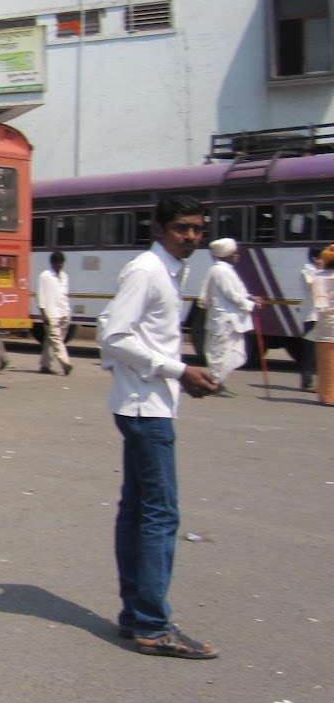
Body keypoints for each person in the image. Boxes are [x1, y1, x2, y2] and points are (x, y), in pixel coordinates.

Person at [97, 193, 220, 659]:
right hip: (145, 409)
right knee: (160, 514)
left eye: (197, 228)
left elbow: (116, 330)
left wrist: (172, 374)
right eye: (182, 228)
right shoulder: (147, 271)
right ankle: (152, 623)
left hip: (145, 403)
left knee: (138, 510)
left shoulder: (168, 271)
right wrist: (178, 371)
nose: (191, 236)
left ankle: (137, 615)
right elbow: (114, 334)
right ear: (158, 229)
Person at [197, 237, 261, 395]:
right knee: (219, 352)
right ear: (226, 254)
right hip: (223, 320)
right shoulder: (221, 271)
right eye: (234, 252)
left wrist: (250, 298)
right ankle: (213, 383)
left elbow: (238, 291)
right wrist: (250, 305)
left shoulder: (224, 270)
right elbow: (232, 294)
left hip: (227, 320)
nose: (237, 255)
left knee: (227, 351)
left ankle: (217, 381)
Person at [37, 250, 73, 375]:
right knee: (57, 340)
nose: (59, 265)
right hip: (51, 314)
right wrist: (43, 313)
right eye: (57, 263)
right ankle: (65, 363)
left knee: (51, 341)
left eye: (61, 263)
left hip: (64, 313)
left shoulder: (65, 276)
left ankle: (45, 365)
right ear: (51, 263)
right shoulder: (45, 276)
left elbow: (64, 295)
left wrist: (67, 312)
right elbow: (40, 296)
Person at [312, 245, 334, 407]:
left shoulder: (320, 278)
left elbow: (319, 304)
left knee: (327, 363)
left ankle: (327, 395)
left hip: (327, 325)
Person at [298, 245, 322, 392]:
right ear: (315, 257)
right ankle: (306, 382)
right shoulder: (307, 270)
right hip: (311, 315)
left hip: (322, 315)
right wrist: (321, 269)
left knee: (322, 351)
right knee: (309, 351)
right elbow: (314, 286)